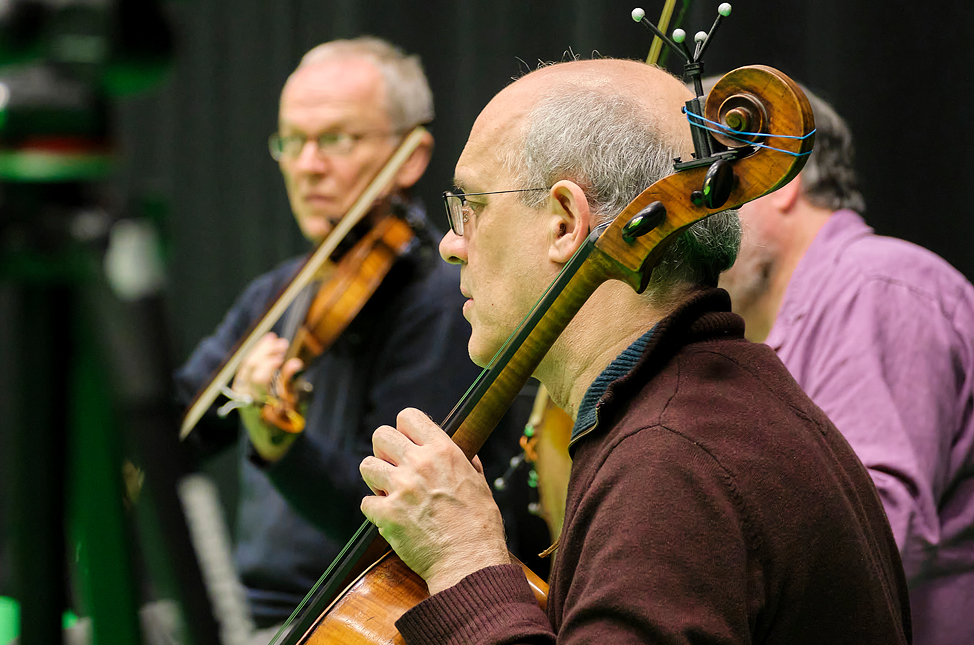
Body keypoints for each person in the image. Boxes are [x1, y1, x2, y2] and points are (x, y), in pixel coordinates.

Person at [358, 59, 912, 643]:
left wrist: (462, 557)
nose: (450, 244)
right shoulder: (719, 405)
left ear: (566, 223)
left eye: (473, 205)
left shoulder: (672, 460)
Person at [174, 37, 540, 644]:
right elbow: (182, 420)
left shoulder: (447, 303)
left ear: (412, 155)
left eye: (338, 140)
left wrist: (283, 450)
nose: (309, 165)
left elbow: (388, 527)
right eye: (292, 142)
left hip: (345, 619)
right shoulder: (282, 291)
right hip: (244, 612)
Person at [719, 85, 974, 645]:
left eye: (710, 185)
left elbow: (873, 533)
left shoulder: (874, 285)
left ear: (779, 178)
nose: (691, 218)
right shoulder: (793, 321)